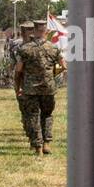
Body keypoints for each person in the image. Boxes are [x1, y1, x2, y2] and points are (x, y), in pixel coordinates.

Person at [13, 19, 63, 155]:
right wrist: (52, 74)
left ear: (34, 31)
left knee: (33, 116)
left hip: (30, 88)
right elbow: (63, 66)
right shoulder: (54, 48)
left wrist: (17, 88)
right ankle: (46, 143)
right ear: (46, 31)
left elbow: (18, 71)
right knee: (47, 115)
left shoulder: (24, 49)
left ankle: (38, 147)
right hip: (48, 87)